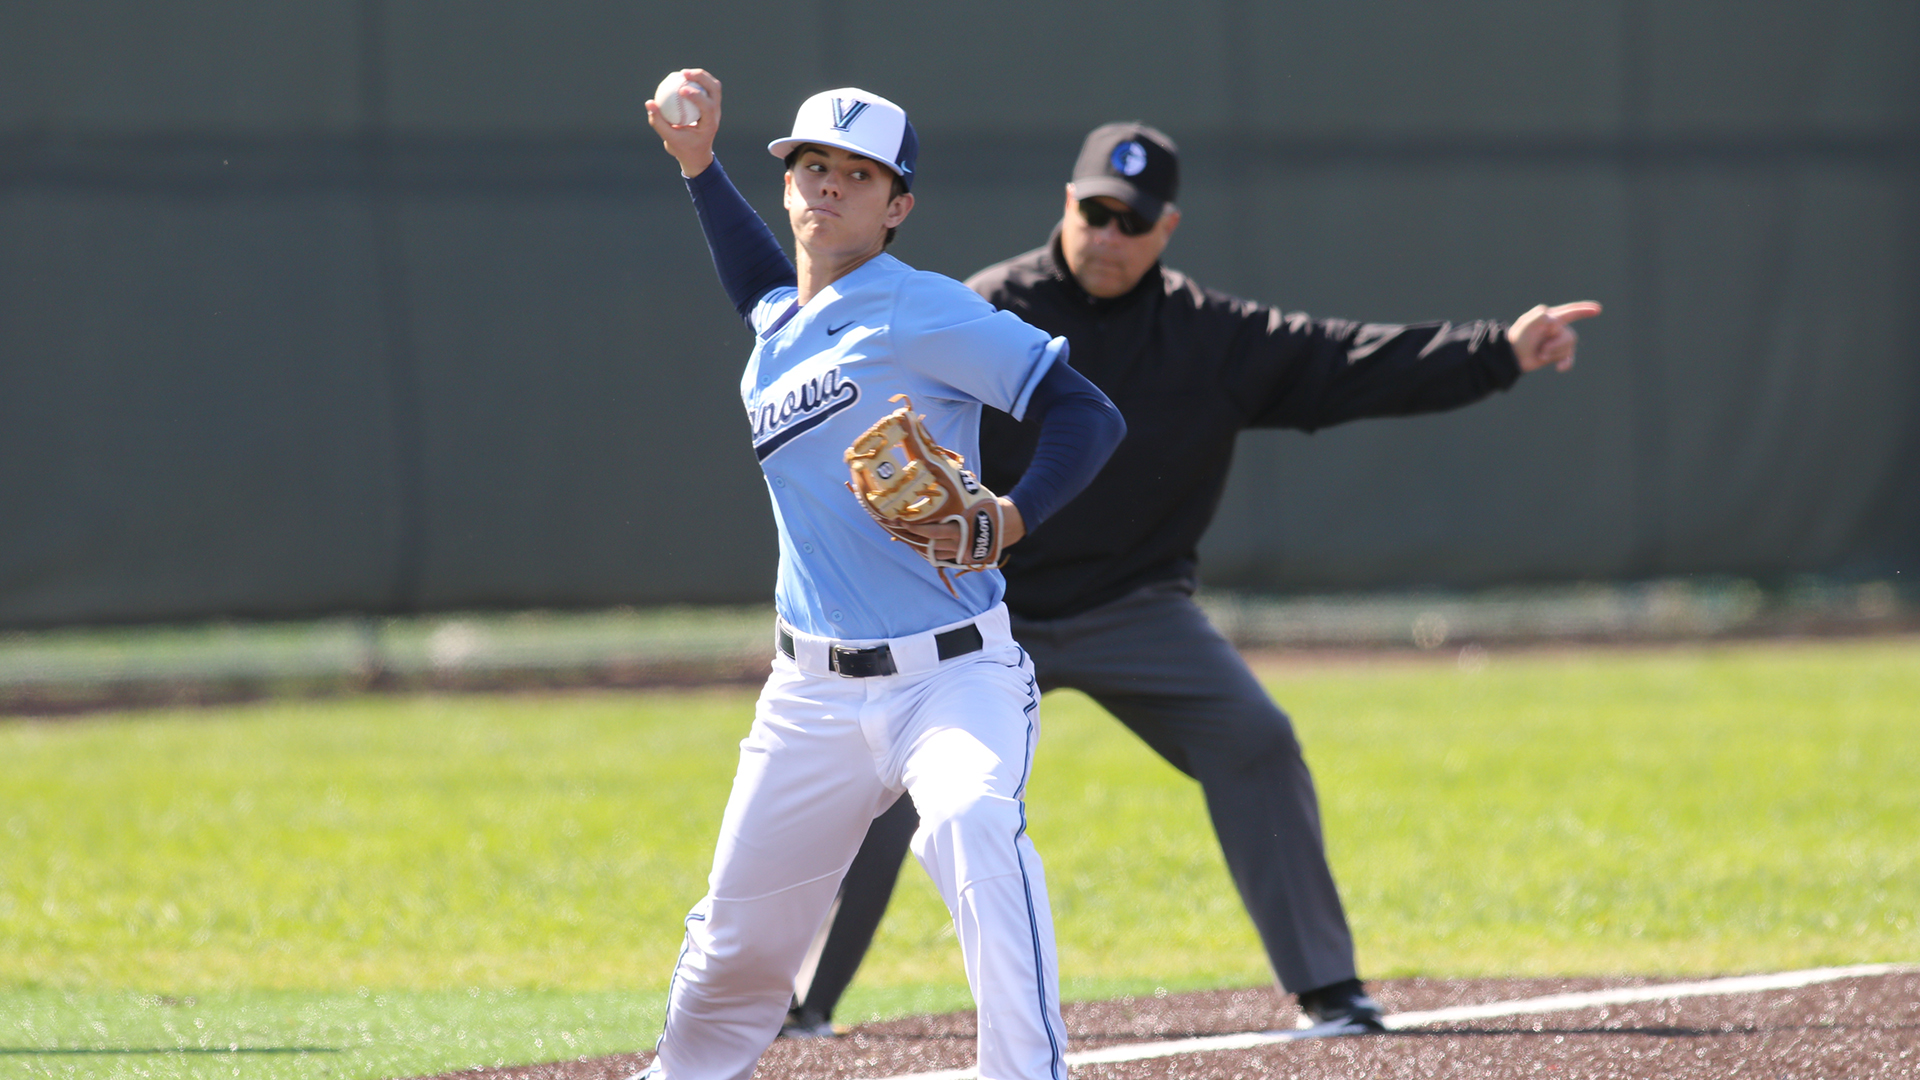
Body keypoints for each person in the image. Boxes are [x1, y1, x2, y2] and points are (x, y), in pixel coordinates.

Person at [781, 121, 1601, 1039]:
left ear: (1166, 228)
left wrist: (1499, 353)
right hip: (980, 609)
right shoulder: (990, 307)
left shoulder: (1210, 336)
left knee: (1256, 740)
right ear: (1067, 205)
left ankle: (1329, 989)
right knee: (890, 771)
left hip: (1133, 610)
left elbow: (1343, 363)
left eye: (1132, 221)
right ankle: (800, 1003)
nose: (1109, 235)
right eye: (1096, 212)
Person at [634, 72, 1126, 1080]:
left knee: (973, 824)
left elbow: (1087, 411)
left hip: (952, 677)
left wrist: (1011, 516)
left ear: (898, 206)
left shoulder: (921, 308)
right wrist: (699, 166)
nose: (829, 185)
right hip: (810, 695)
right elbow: (765, 287)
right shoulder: (783, 323)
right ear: (789, 185)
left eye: (859, 175)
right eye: (813, 166)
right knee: (737, 941)